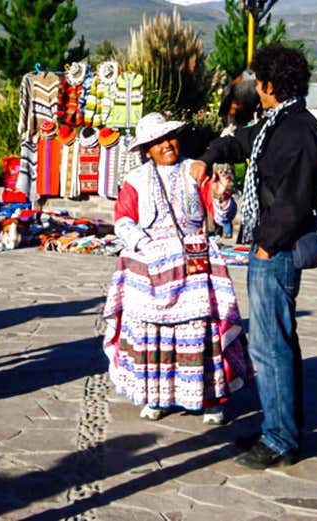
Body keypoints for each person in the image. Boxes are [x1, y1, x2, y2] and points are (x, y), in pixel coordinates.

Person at [191, 44, 317, 468]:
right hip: (268, 247)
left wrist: (266, 245)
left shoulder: (298, 131)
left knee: (272, 348)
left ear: (269, 85)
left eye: (258, 82)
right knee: (275, 342)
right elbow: (239, 142)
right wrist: (209, 156)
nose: (255, 88)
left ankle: (281, 439)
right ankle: (279, 426)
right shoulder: (276, 125)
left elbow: (294, 201)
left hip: (277, 252)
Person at [103, 112, 251, 425]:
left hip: (193, 262)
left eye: (169, 138)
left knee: (201, 330)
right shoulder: (135, 180)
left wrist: (222, 196)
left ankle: (210, 398)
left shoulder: (195, 170)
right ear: (147, 150)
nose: (166, 145)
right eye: (157, 142)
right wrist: (144, 244)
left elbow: (221, 216)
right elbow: (123, 220)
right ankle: (158, 396)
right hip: (151, 265)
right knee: (154, 333)